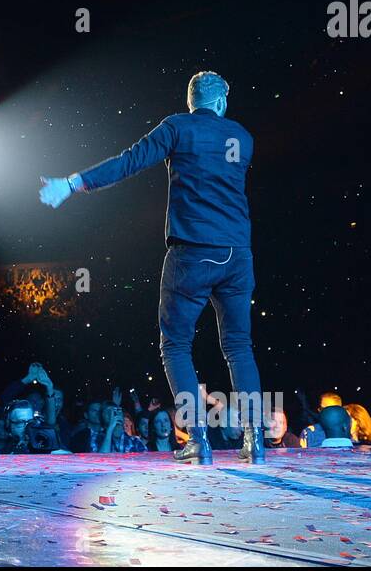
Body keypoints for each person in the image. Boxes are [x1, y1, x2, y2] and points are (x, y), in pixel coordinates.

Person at [41, 71, 264, 465]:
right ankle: (254, 440)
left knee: (176, 345)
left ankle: (198, 439)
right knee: (238, 346)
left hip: (194, 252)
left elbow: (130, 162)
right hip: (237, 254)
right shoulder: (242, 137)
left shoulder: (177, 127)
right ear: (222, 102)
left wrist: (73, 183)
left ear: (191, 99)